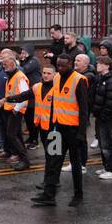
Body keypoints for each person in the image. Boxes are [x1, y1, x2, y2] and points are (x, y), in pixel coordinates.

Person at [19, 54, 88, 207]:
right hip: (57, 128)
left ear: (70, 64)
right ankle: (49, 195)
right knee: (53, 161)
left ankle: (78, 195)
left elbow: (84, 109)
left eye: (63, 66)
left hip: (73, 130)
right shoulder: (56, 78)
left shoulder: (79, 80)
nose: (60, 68)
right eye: (58, 66)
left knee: (75, 163)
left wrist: (82, 133)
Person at [0, 49, 31, 170]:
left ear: (12, 64)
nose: (3, 68)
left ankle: (24, 159)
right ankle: (22, 156)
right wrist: (3, 102)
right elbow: (11, 93)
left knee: (11, 134)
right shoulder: (12, 75)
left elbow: (25, 95)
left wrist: (16, 109)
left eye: (5, 65)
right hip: (10, 109)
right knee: (16, 135)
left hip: (15, 110)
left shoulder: (19, 77)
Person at [90, 56, 112, 179]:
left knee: (108, 143)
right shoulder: (100, 78)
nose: (97, 65)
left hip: (107, 118)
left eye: (100, 63)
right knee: (103, 144)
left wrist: (104, 115)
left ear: (107, 66)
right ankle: (106, 167)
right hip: (100, 116)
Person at [19, 45, 42, 148]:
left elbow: (23, 70)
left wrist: (22, 61)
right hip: (27, 92)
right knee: (28, 117)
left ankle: (35, 140)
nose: (22, 54)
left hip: (34, 92)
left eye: (24, 52)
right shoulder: (26, 61)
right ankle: (31, 138)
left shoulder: (34, 60)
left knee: (32, 118)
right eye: (22, 52)